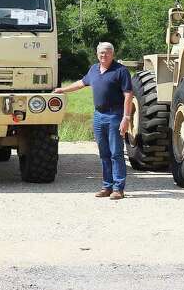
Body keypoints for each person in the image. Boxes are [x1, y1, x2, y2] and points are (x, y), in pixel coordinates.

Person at [54, 42, 133, 200]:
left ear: (113, 54)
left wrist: (126, 117)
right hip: (98, 115)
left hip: (115, 116)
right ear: (97, 54)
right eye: (101, 53)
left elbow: (128, 95)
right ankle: (107, 186)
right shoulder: (94, 69)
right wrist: (63, 89)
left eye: (107, 53)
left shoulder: (121, 71)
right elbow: (81, 83)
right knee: (104, 153)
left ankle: (118, 188)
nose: (104, 56)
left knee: (116, 153)